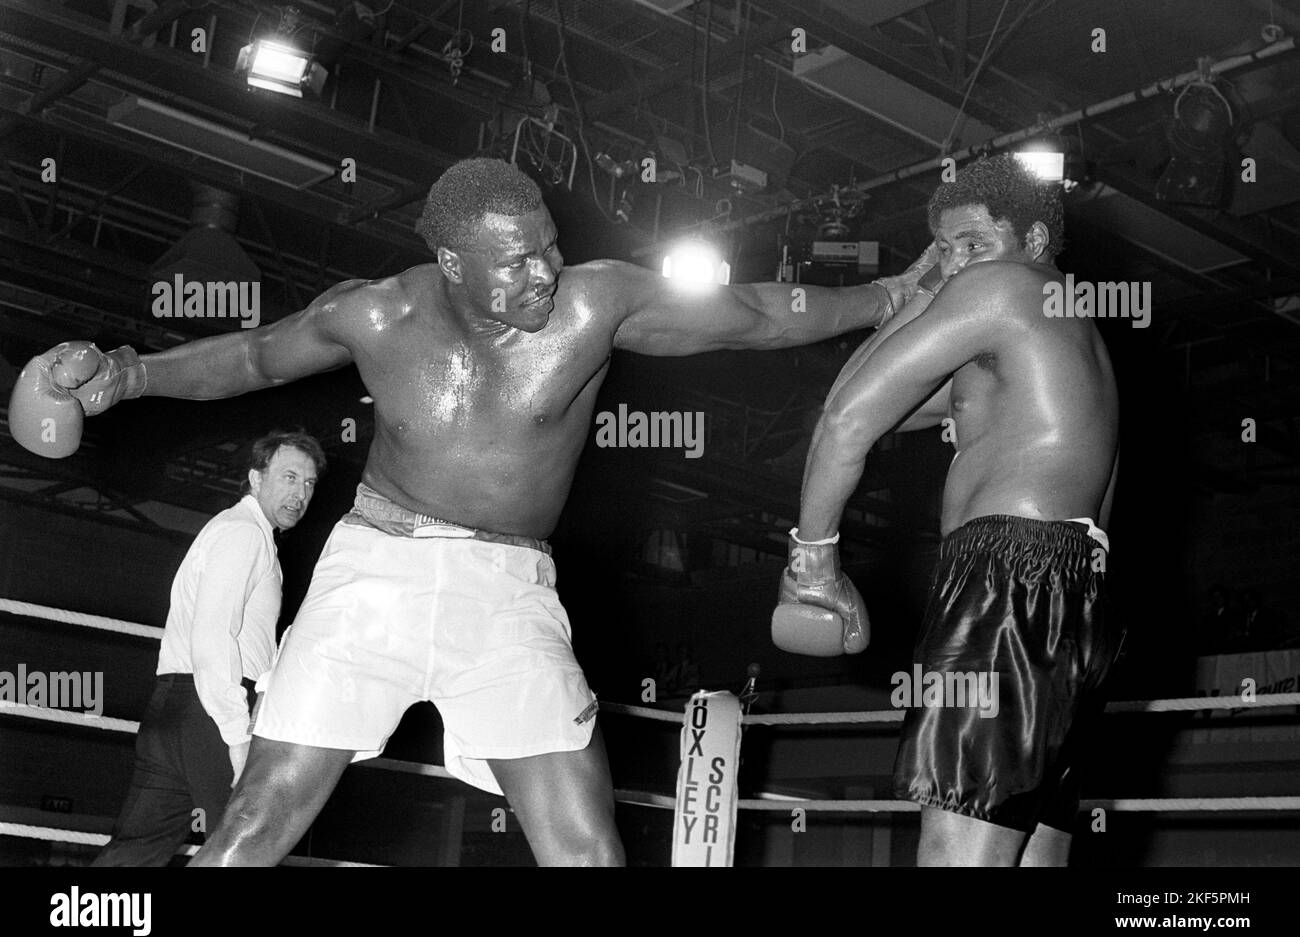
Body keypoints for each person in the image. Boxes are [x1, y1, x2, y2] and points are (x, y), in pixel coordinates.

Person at [9, 157, 936, 866]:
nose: (543, 273)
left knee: (586, 850)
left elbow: (756, 311)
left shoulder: (596, 304)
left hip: (508, 593)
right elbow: (254, 358)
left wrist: (890, 294)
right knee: (258, 820)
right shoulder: (375, 315)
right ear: (449, 262)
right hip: (375, 572)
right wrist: (127, 375)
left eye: (549, 247)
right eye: (514, 261)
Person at [772, 154, 1120, 866]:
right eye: (948, 248)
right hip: (1077, 598)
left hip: (1011, 580)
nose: (960, 264)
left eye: (974, 244)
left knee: (958, 850)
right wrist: (923, 288)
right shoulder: (1055, 330)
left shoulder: (1002, 290)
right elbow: (863, 398)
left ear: (1031, 242)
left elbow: (844, 422)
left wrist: (815, 557)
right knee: (1031, 855)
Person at [91, 428, 325, 866]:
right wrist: (236, 734)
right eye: (289, 477)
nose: (300, 492)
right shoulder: (244, 534)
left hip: (174, 710)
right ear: (256, 479)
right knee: (243, 851)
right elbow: (213, 635)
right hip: (211, 713)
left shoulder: (238, 532)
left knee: (134, 854)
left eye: (309, 483)